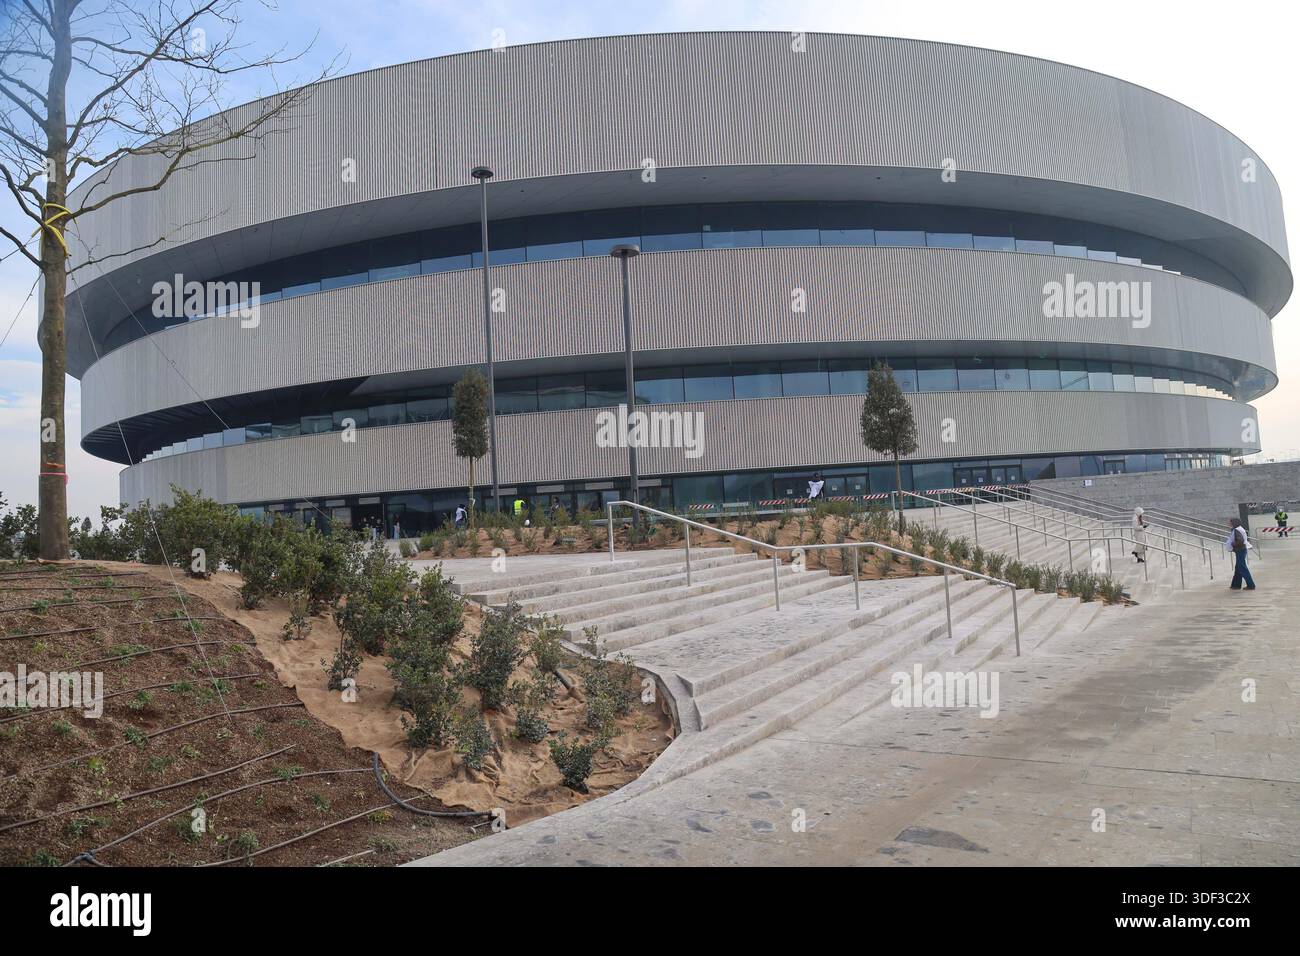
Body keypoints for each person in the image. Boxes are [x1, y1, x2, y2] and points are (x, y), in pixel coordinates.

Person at [1226, 518, 1256, 591]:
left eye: (1230, 522)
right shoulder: (1238, 529)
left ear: (1234, 523)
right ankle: (1236, 585)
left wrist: (1232, 544)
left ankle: (1251, 585)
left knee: (1242, 568)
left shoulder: (1237, 530)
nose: (1228, 524)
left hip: (1240, 550)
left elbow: (1240, 541)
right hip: (1240, 550)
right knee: (1238, 568)